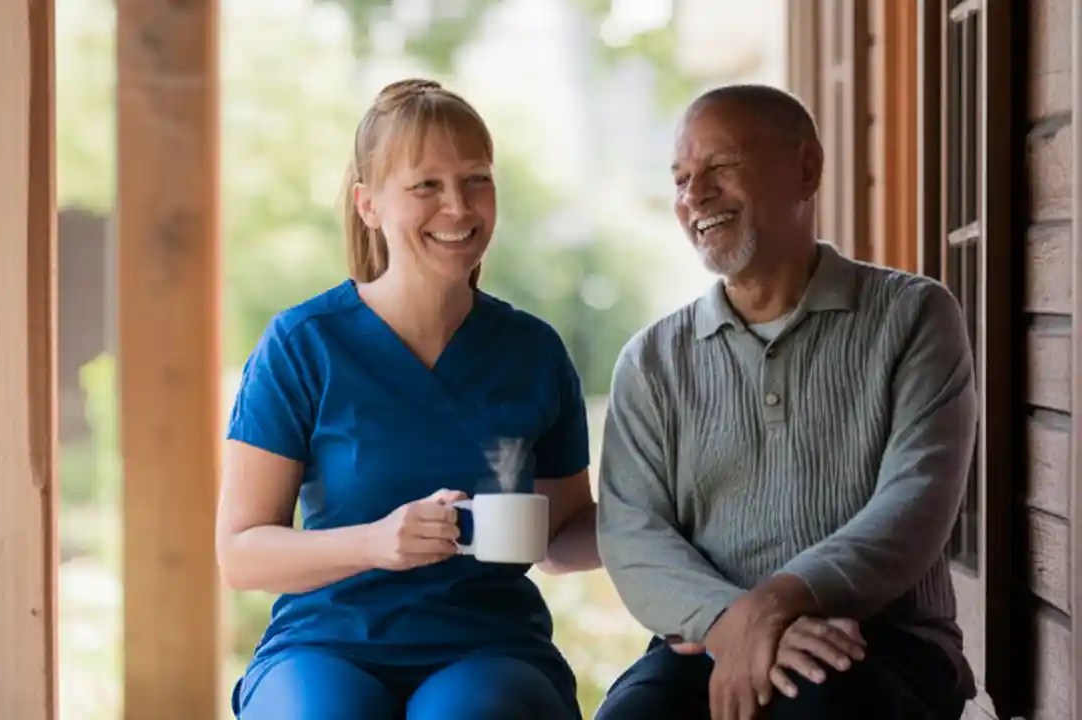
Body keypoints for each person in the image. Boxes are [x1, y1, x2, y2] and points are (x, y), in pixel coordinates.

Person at [216, 78, 599, 720]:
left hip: (490, 649)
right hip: (324, 647)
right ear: (368, 205)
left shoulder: (533, 352)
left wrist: (661, 514)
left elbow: (558, 541)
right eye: (427, 186)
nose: (458, 207)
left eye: (476, 179)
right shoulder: (304, 344)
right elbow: (242, 554)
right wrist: (373, 543)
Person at [593, 84, 977, 720]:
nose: (694, 195)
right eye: (682, 178)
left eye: (719, 167)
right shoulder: (652, 360)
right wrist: (732, 624)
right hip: (704, 641)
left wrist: (774, 606)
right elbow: (633, 534)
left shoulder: (913, 318)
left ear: (806, 169)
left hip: (882, 638)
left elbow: (915, 504)